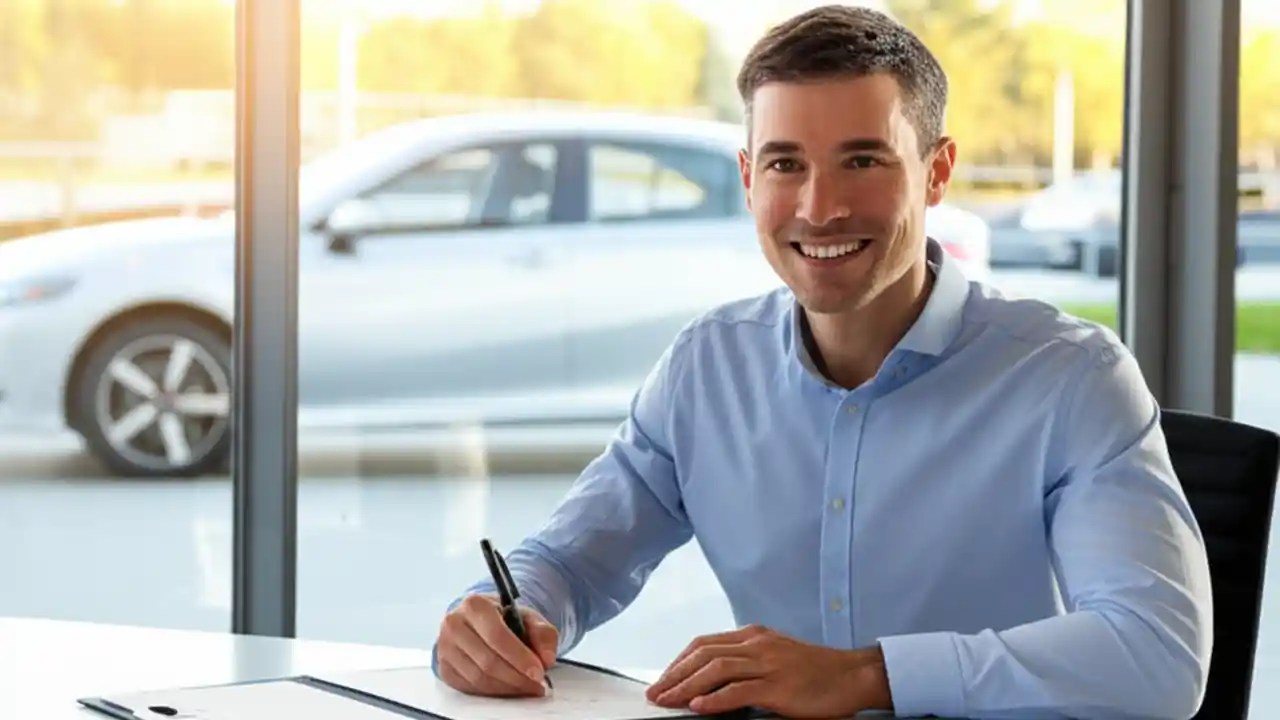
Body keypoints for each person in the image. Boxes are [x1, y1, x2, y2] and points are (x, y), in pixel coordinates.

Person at [431, 5, 1213, 719]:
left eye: (863, 161)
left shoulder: (1070, 378)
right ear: (747, 179)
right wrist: (502, 617)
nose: (818, 207)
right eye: (784, 165)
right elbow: (569, 562)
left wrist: (869, 674)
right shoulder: (708, 368)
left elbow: (1156, 657)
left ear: (937, 172)